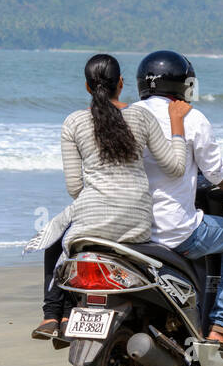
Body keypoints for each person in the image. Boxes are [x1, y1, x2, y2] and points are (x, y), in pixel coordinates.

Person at [31, 53, 189, 341]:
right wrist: (177, 124)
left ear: (88, 87)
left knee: (55, 240)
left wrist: (97, 200)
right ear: (121, 83)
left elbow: (75, 187)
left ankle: (54, 315)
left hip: (91, 221)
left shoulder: (73, 122)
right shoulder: (142, 116)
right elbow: (176, 168)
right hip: (136, 222)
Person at [133, 50, 223, 352]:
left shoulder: (128, 115)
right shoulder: (191, 119)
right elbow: (218, 175)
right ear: (182, 84)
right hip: (174, 232)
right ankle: (222, 326)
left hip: (131, 229)